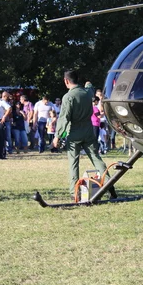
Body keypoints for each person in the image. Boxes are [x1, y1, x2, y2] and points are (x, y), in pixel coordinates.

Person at [52, 71, 116, 200]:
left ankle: (74, 191)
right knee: (97, 159)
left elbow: (64, 118)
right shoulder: (87, 93)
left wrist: (57, 136)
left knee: (73, 163)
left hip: (74, 131)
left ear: (66, 81)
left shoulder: (68, 97)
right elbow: (89, 88)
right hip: (88, 130)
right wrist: (89, 84)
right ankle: (110, 187)